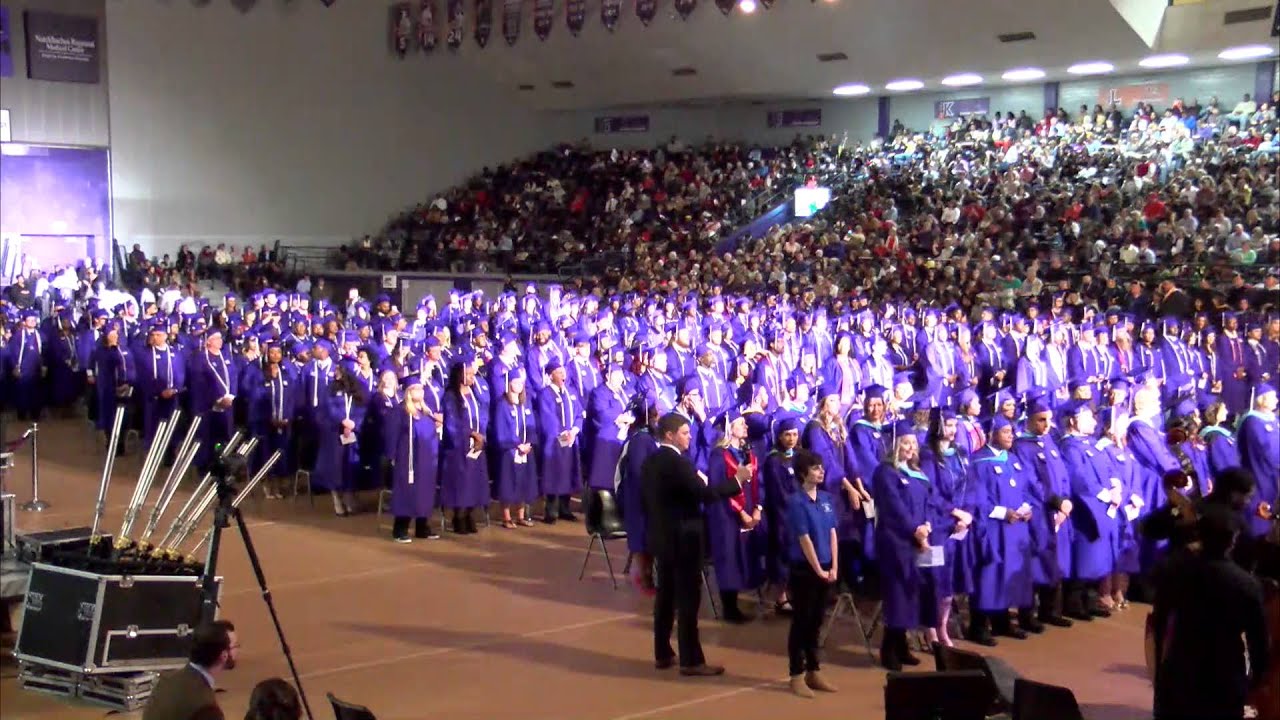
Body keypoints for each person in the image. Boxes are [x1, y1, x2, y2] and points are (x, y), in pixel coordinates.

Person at [642, 412, 742, 676]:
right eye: (685, 432)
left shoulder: (650, 462)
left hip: (662, 538)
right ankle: (691, 660)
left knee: (665, 597)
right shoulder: (678, 463)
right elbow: (704, 494)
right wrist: (737, 482)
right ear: (669, 435)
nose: (689, 437)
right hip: (684, 538)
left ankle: (662, 652)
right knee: (688, 600)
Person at [1151, 505, 1270, 720]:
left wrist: (1160, 677)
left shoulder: (1177, 571)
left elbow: (1159, 624)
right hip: (1224, 674)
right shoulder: (1246, 584)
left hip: (1181, 668)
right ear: (1233, 540)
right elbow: (1258, 641)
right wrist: (1256, 682)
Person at [784, 448, 839, 698]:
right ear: (803, 472)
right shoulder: (795, 502)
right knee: (801, 622)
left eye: (821, 467)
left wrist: (834, 566)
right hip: (805, 570)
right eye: (816, 468)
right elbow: (804, 539)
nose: (821, 471)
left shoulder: (827, 499)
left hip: (826, 568)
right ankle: (796, 674)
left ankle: (813, 670)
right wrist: (818, 569)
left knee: (817, 621)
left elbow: (832, 534)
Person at [142, 620, 238, 720]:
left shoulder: (166, 680)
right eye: (235, 646)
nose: (238, 650)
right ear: (224, 656)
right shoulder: (206, 707)